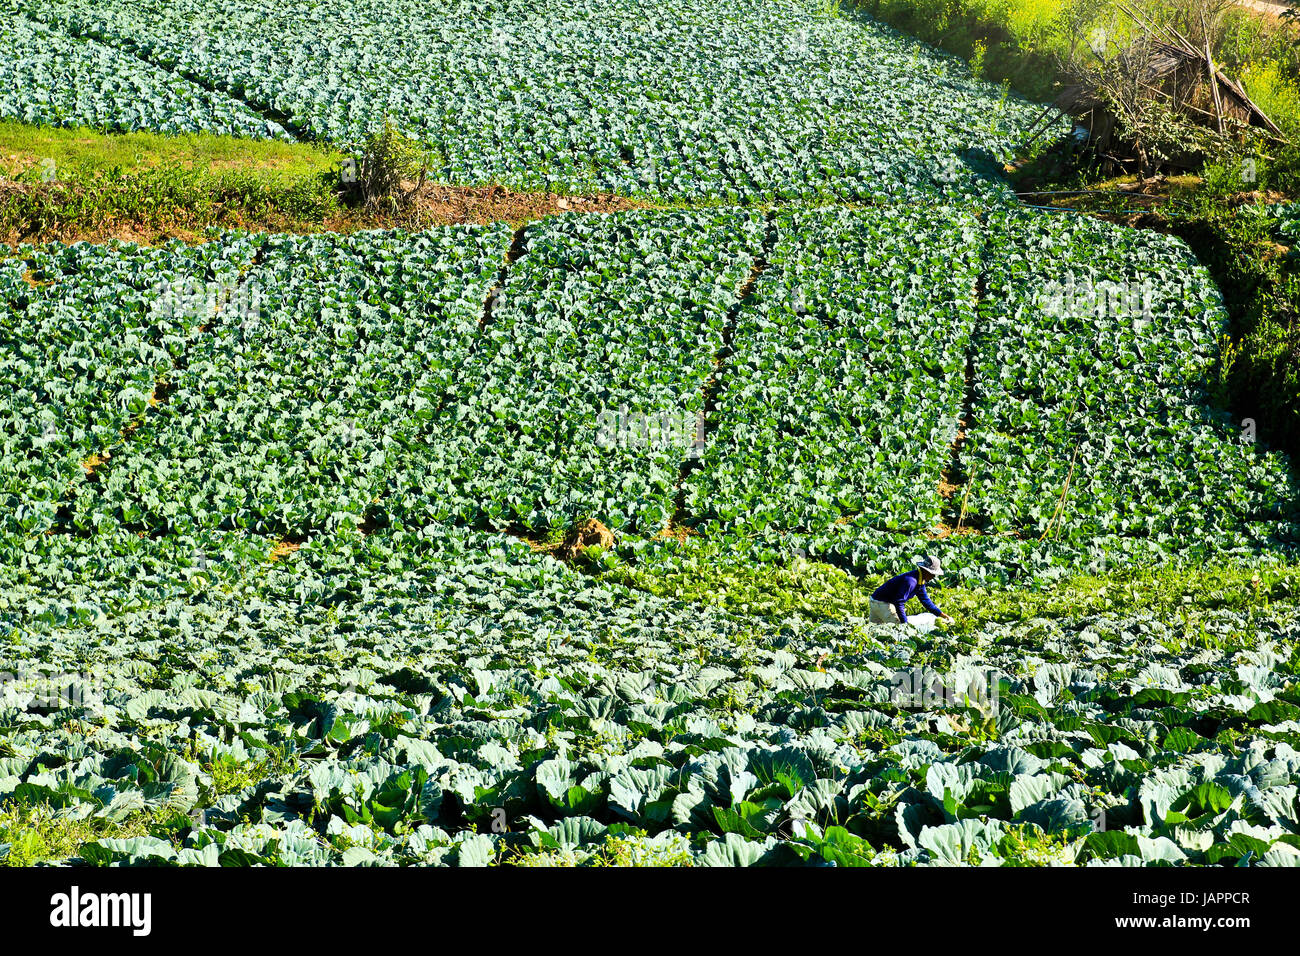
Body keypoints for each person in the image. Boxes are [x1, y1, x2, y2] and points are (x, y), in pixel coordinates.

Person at [870, 555, 952, 626]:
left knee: (874, 630)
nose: (933, 576)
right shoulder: (911, 581)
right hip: (882, 604)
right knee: (898, 629)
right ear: (926, 571)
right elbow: (899, 602)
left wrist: (942, 615)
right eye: (932, 574)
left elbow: (925, 600)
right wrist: (904, 624)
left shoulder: (919, 579)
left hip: (874, 600)